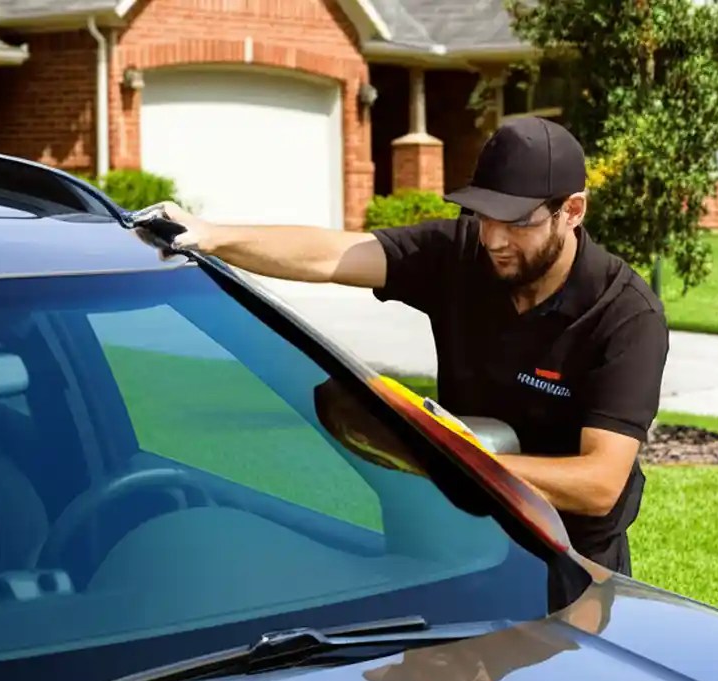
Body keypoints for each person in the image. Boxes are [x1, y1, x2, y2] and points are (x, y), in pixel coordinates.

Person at [135, 116, 669, 608]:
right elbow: (330, 255)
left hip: (569, 572)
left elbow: (600, 484)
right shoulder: (462, 255)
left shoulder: (624, 315)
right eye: (482, 215)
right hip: (454, 546)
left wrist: (443, 458)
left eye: (516, 222)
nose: (493, 238)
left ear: (571, 211)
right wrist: (214, 235)